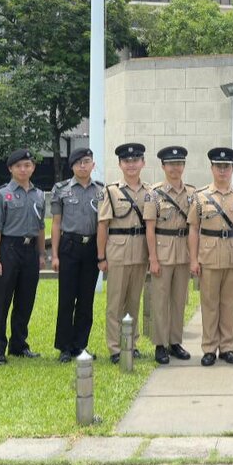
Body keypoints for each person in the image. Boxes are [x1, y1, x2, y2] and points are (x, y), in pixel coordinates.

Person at [188, 148, 233, 366]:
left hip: (232, 257)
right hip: (209, 257)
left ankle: (228, 347)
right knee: (209, 304)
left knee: (229, 304)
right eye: (218, 166)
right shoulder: (200, 197)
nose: (222, 170)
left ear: (232, 169)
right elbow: (194, 229)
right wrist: (193, 260)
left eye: (227, 166)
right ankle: (209, 348)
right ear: (212, 168)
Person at [0, 149, 46, 365]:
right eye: (19, 166)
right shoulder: (1, 194)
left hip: (30, 250)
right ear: (11, 168)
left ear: (33, 168)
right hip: (9, 248)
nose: (23, 169)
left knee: (25, 299)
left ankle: (19, 344)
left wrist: (41, 254)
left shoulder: (39, 194)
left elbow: (41, 227)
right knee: (2, 300)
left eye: (28, 165)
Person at [97, 142, 152, 364]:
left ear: (143, 163)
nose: (131, 165)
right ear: (120, 164)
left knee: (133, 302)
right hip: (117, 252)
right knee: (115, 303)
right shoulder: (110, 191)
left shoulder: (149, 192)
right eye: (127, 161)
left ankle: (131, 343)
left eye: (135, 160)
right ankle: (114, 347)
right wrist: (101, 256)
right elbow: (103, 225)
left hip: (139, 252)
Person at [50, 147, 104, 362]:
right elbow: (55, 224)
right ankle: (64, 347)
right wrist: (54, 255)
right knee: (66, 298)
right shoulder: (61, 189)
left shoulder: (101, 191)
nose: (83, 166)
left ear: (93, 165)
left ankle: (80, 345)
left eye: (87, 161)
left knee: (85, 300)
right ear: (72, 166)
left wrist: (102, 254)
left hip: (90, 247)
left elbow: (103, 225)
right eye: (78, 162)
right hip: (69, 246)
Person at [145, 146, 195, 364]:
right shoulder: (154, 194)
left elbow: (195, 227)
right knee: (160, 300)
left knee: (178, 300)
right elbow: (149, 228)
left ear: (183, 166)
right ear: (163, 166)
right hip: (162, 251)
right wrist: (152, 258)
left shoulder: (192, 194)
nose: (175, 168)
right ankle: (160, 344)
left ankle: (175, 342)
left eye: (179, 163)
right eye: (171, 164)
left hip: (183, 252)